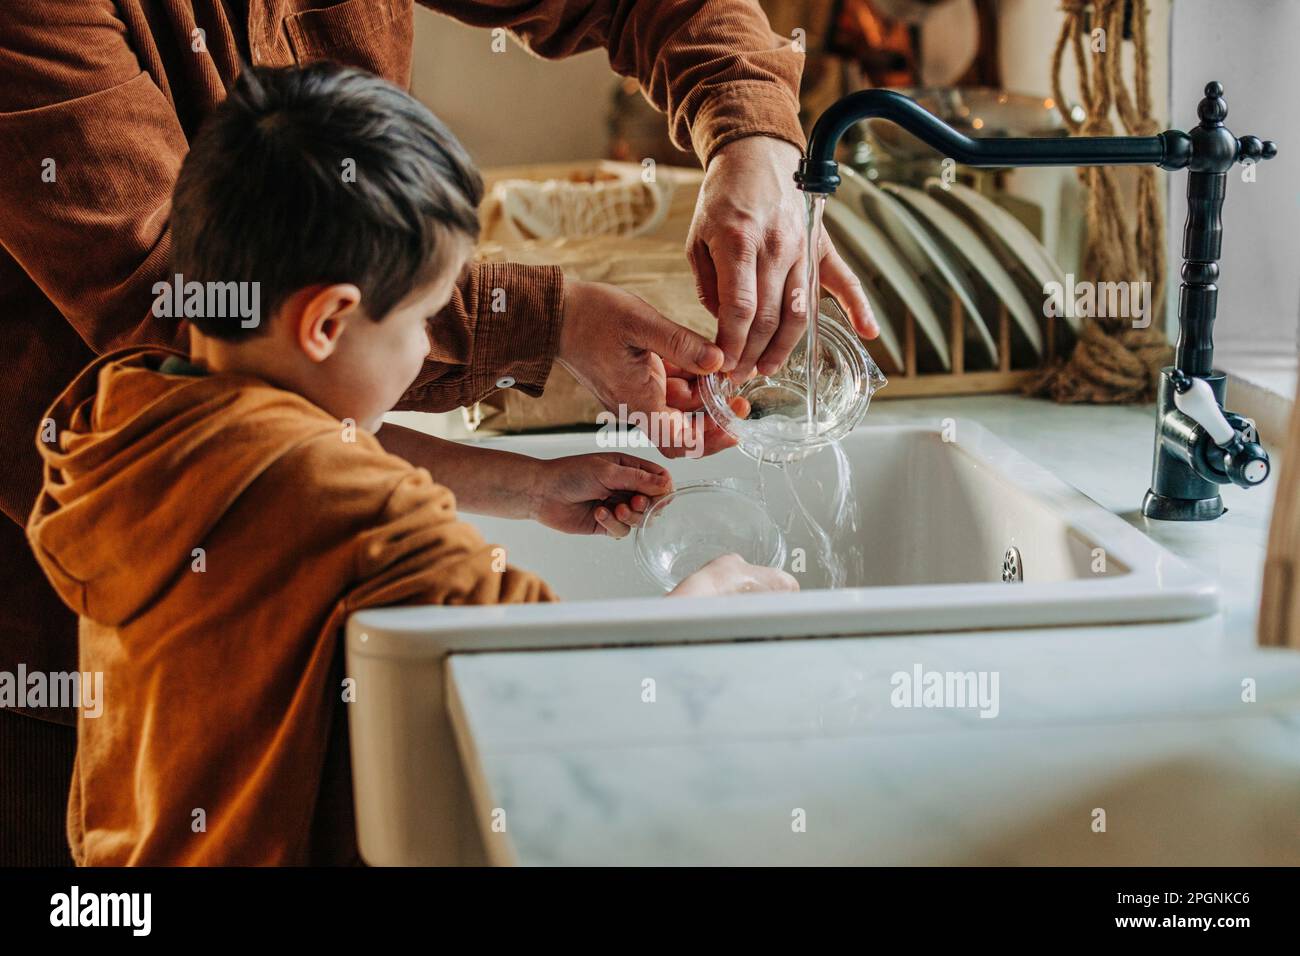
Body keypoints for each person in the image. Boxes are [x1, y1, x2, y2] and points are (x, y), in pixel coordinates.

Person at [0, 0, 873, 863]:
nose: (429, 351)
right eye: (422, 320)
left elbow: (288, 450)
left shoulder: (118, 420)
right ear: (327, 320)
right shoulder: (378, 528)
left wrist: (521, 483)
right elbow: (553, 693)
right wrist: (704, 615)